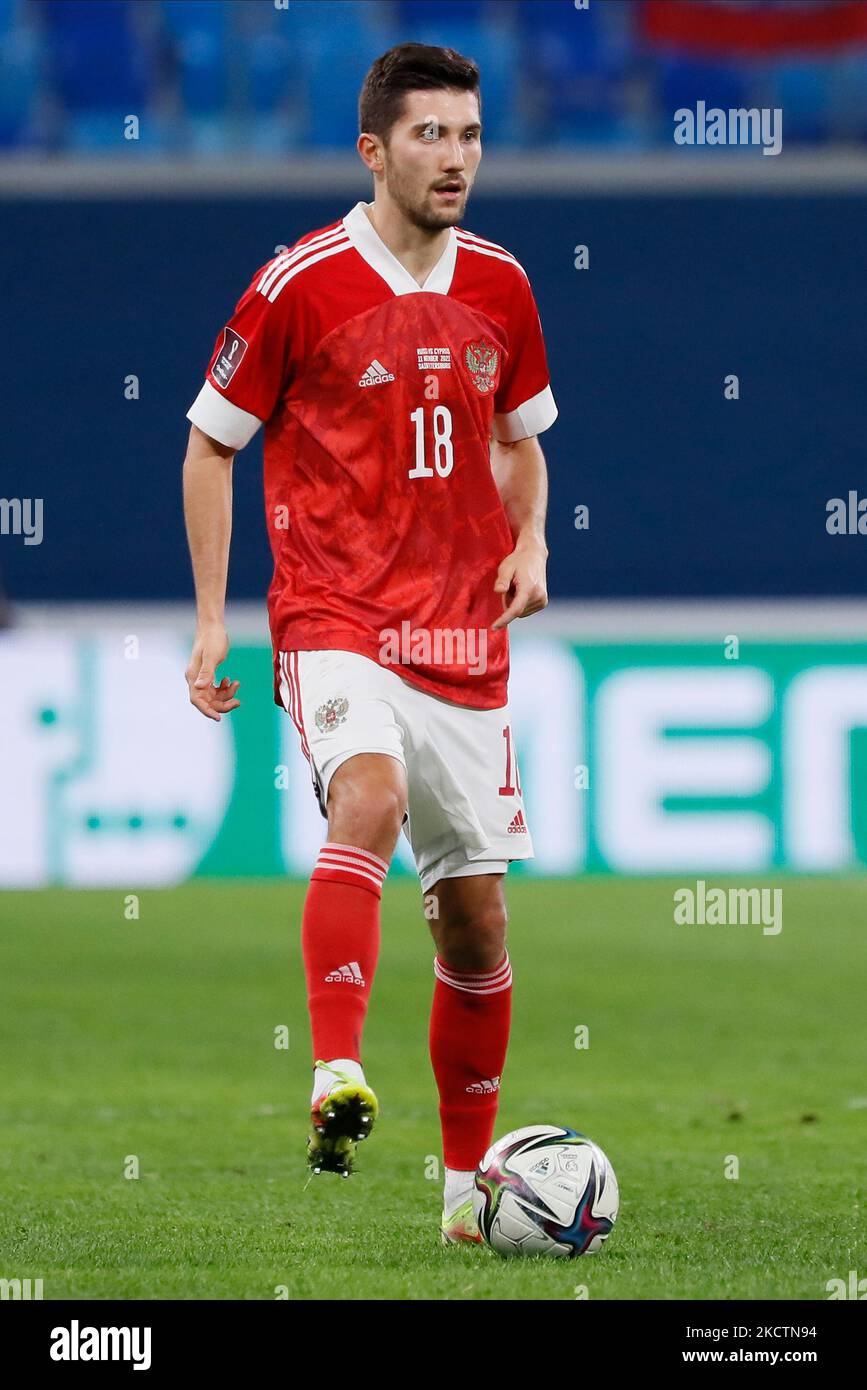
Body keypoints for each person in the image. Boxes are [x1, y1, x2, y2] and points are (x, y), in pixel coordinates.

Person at [182, 42, 557, 1246]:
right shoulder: (299, 284)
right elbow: (210, 445)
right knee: (372, 800)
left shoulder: (502, 283)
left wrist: (533, 539)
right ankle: (332, 1068)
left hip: (465, 638)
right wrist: (208, 625)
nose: (456, 158)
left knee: (478, 924)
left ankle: (464, 1200)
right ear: (374, 149)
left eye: (470, 135)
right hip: (338, 615)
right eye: (430, 136)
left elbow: (517, 440)